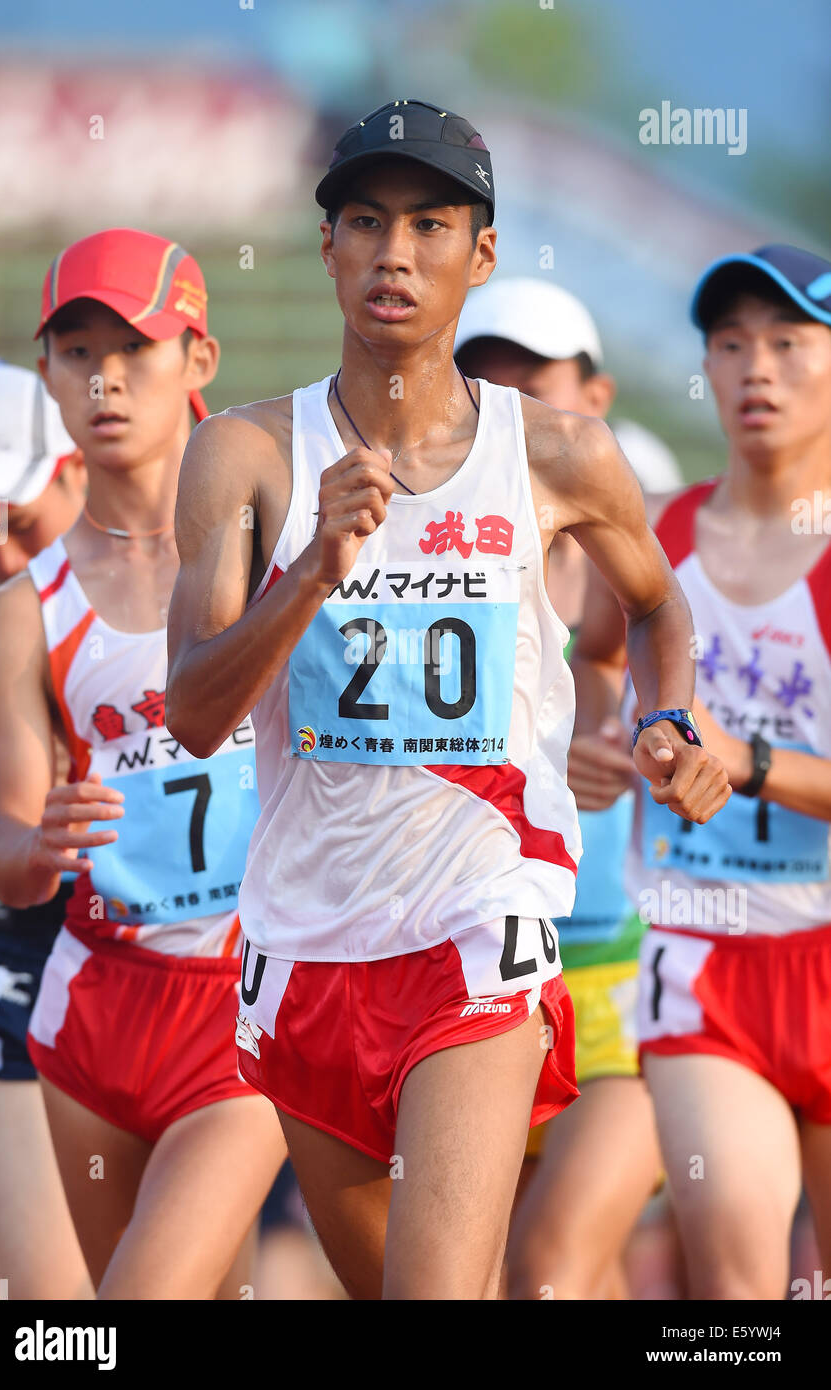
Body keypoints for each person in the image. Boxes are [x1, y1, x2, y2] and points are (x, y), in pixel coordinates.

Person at [166, 98, 730, 1301]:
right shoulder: (249, 457)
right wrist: (311, 569)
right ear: (325, 249)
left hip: (482, 920)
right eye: (364, 221)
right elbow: (194, 714)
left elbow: (657, 608)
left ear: (478, 254)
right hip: (307, 943)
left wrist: (664, 718)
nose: (394, 253)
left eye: (430, 224)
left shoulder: (559, 455)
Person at [0, 229, 286, 1299]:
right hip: (93, 1014)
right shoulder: (21, 613)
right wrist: (40, 838)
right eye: (75, 353)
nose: (104, 378)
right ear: (49, 371)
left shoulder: (279, 553)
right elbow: (11, 866)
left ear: (197, 360)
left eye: (135, 349)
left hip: (247, 1004)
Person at [571, 243, 831, 1299]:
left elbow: (736, 753)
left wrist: (748, 760)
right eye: (727, 344)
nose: (752, 369)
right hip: (700, 950)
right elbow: (594, 657)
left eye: (784, 342)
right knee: (733, 1282)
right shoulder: (659, 534)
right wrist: (606, 737)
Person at [454, 278, 670, 1299]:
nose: (506, 404)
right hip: (480, 974)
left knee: (549, 1266)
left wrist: (658, 750)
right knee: (512, 1275)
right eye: (483, 379)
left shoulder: (660, 553)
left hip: (630, 977)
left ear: (595, 392)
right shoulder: (435, 561)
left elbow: (738, 745)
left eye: (533, 382)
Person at [0, 361, 90, 1298]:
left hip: (197, 982)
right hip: (15, 971)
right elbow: (10, 865)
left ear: (77, 468)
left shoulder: (208, 575)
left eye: (19, 518)